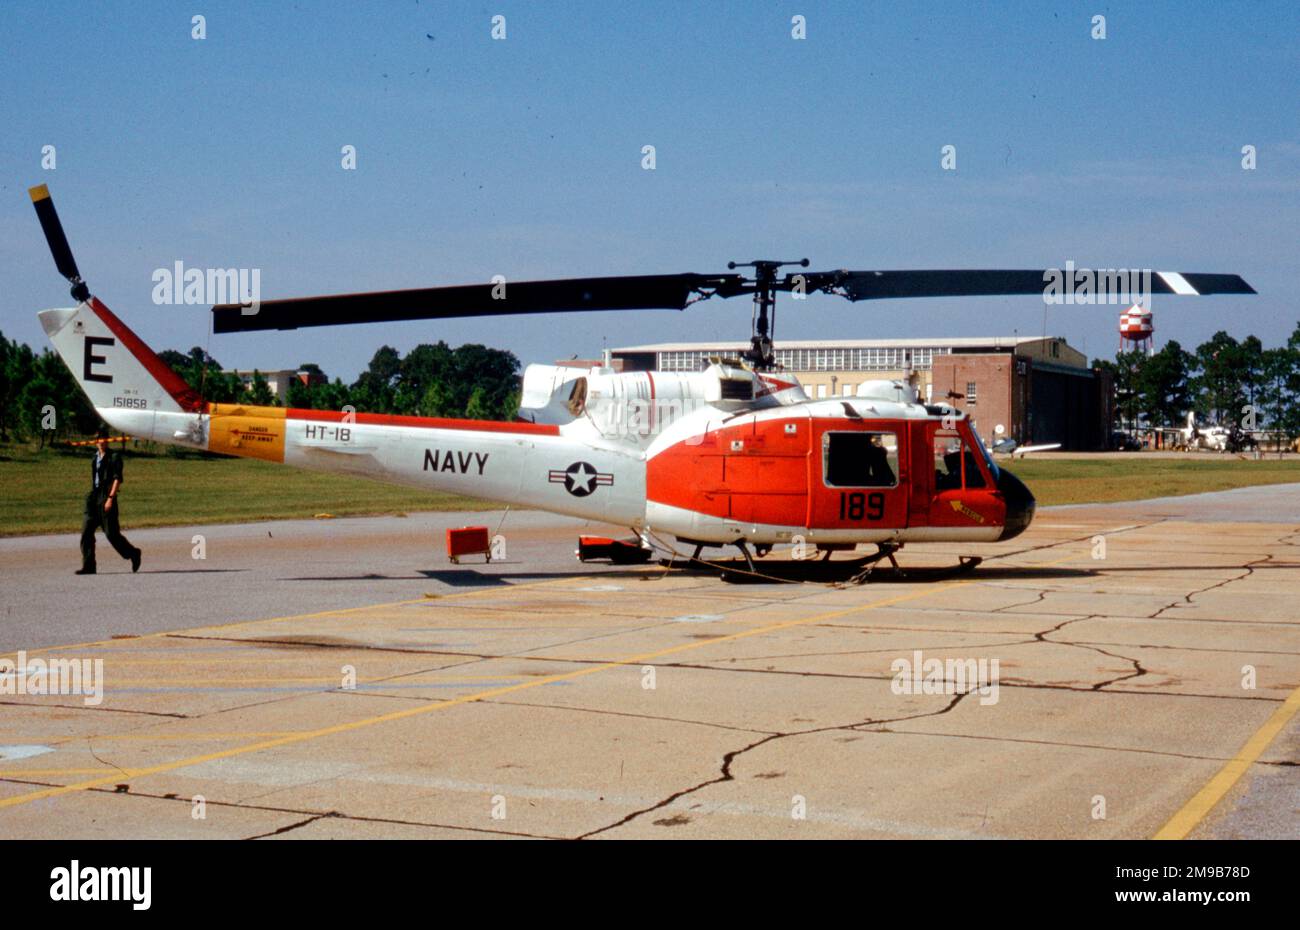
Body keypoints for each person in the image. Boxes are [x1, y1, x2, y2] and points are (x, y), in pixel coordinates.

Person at [78, 428, 141, 575]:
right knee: (86, 532)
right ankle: (89, 566)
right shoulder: (95, 458)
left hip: (106, 497)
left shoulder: (114, 457)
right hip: (93, 498)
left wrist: (110, 499)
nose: (101, 442)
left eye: (103, 439)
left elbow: (117, 479)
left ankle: (133, 553)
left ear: (107, 440)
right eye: (98, 439)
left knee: (112, 534)